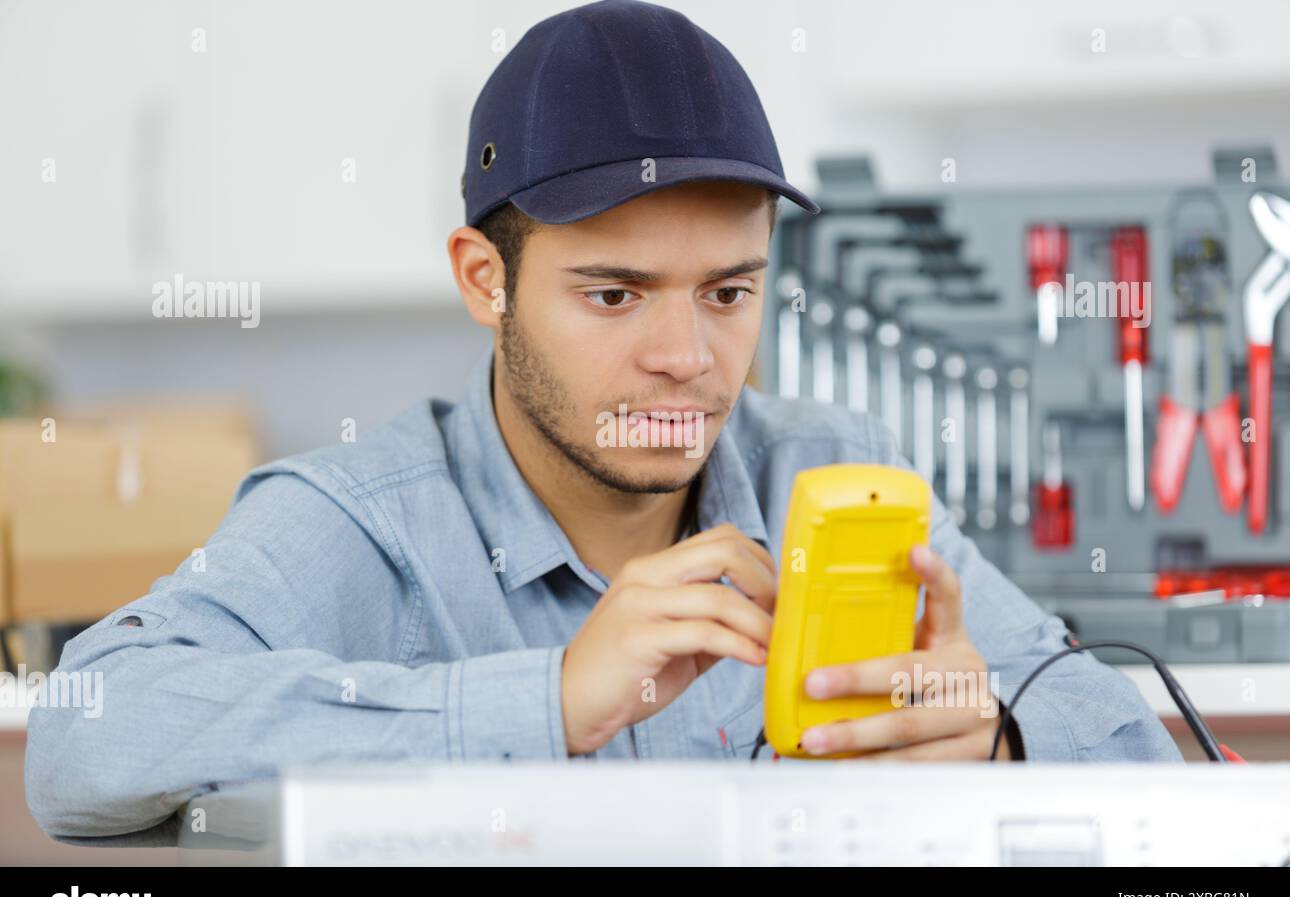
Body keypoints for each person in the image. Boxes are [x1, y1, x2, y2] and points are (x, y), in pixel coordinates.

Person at [26, 0, 1179, 843]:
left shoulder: (832, 475)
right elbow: (85, 733)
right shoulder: (362, 522)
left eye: (728, 292)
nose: (685, 358)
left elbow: (1138, 753)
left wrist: (996, 742)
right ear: (485, 278)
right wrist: (549, 698)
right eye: (614, 294)